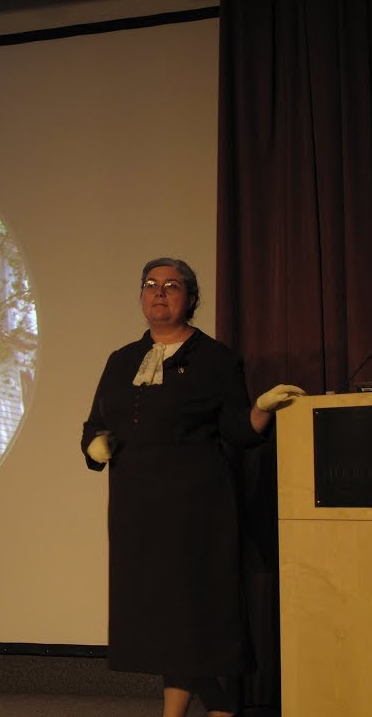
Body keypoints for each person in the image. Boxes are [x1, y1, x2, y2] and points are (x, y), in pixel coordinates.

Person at [79, 257, 305, 717]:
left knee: (189, 614)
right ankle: (218, 707)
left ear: (192, 298)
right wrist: (94, 446)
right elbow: (95, 424)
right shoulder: (121, 360)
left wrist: (261, 409)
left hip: (195, 508)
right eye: (151, 284)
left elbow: (237, 430)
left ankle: (192, 711)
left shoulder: (216, 358)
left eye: (172, 285)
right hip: (136, 509)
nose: (159, 292)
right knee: (165, 618)